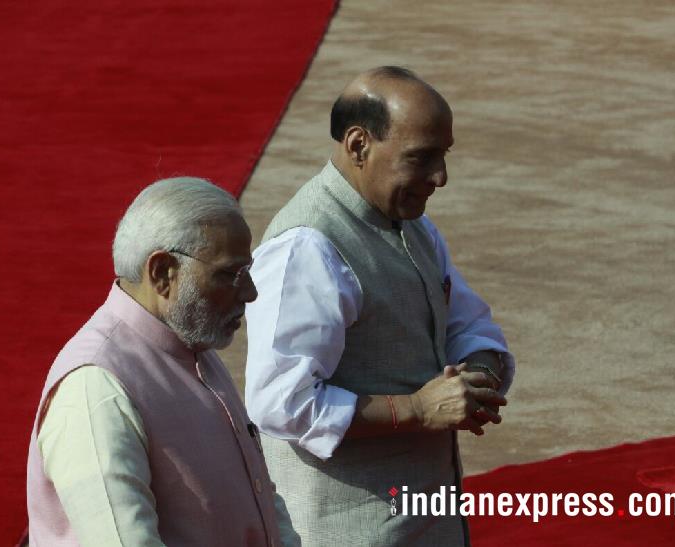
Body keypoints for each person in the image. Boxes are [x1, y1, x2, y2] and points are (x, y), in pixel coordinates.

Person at [244, 66, 515, 546]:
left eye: (444, 156)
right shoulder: (306, 247)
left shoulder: (412, 225)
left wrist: (479, 376)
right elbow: (281, 403)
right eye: (421, 158)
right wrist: (414, 409)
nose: (441, 177)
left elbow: (466, 322)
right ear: (358, 145)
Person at [26, 178, 297, 546]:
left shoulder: (194, 348)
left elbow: (260, 493)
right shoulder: (96, 388)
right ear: (163, 272)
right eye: (229, 275)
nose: (249, 293)